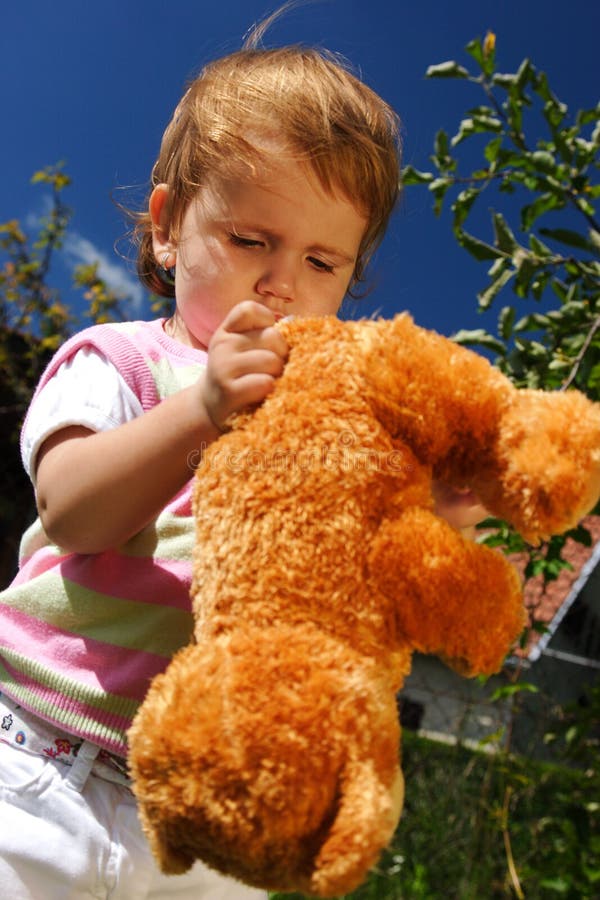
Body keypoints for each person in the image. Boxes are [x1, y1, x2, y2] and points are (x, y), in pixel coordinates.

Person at [0, 16, 485, 900]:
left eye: (321, 260)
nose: (281, 282)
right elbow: (71, 510)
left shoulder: (339, 424)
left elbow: (360, 568)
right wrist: (202, 407)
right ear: (166, 228)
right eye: (251, 239)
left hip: (207, 801)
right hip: (41, 762)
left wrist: (441, 511)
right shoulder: (123, 358)